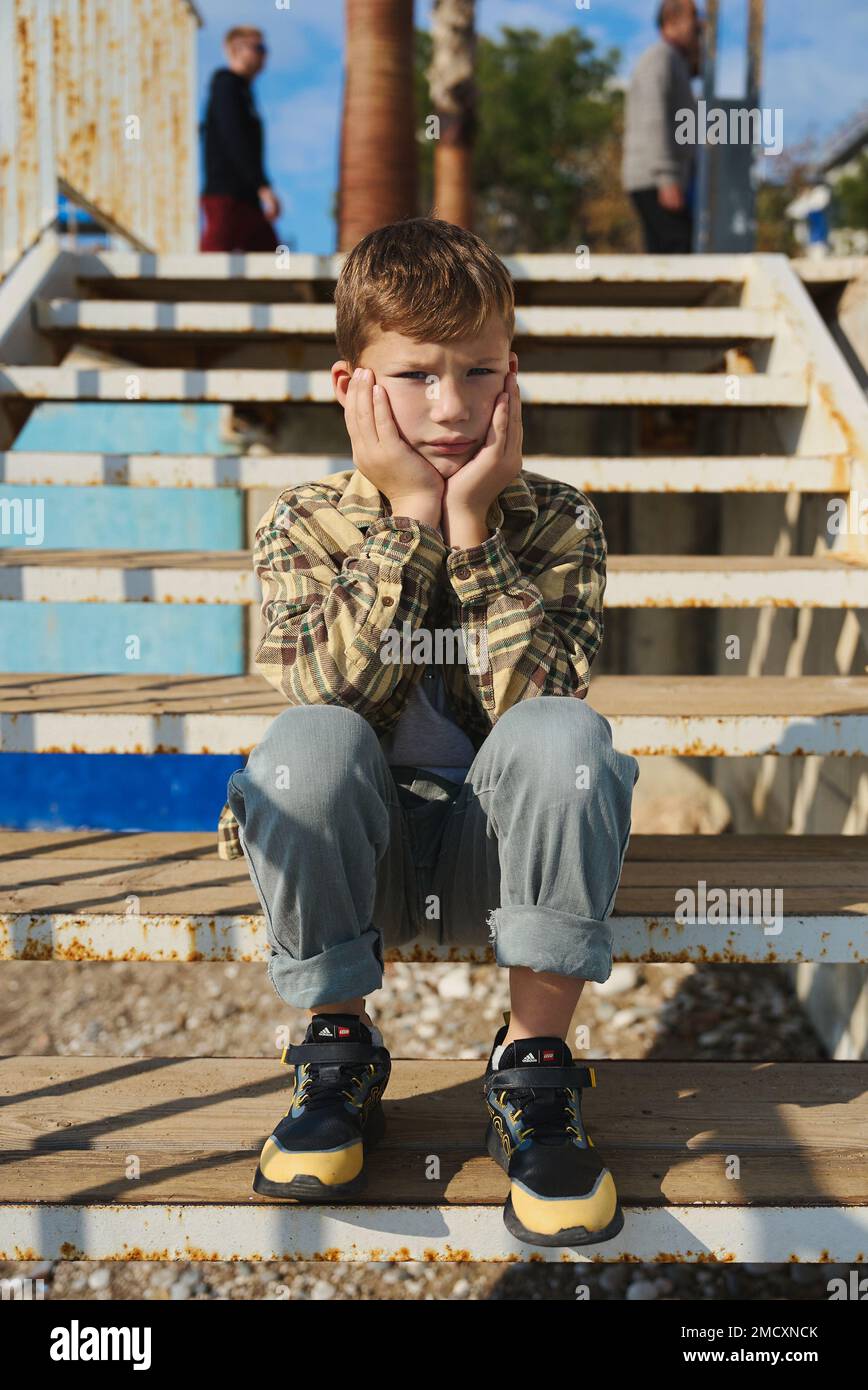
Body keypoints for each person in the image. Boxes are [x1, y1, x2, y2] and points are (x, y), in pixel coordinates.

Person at [216, 217, 639, 1248]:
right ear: (349, 384)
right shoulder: (302, 522)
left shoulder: (557, 519)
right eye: (413, 375)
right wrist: (407, 521)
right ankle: (338, 1048)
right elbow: (326, 691)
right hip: (367, 861)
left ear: (513, 375)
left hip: (502, 857)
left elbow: (539, 698)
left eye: (478, 370)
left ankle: (533, 1067)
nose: (450, 407)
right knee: (301, 748)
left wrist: (471, 532)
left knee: (568, 737)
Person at [623, 0, 701, 253]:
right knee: (678, 247)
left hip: (658, 177)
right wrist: (667, 177)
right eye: (693, 19)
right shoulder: (660, 58)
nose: (698, 26)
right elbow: (653, 118)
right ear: (672, 22)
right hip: (654, 178)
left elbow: (697, 68)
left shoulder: (674, 61)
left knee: (663, 253)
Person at [200, 25, 281, 252]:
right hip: (225, 197)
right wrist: (263, 187)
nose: (264, 55)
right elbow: (234, 139)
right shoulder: (225, 85)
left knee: (273, 263)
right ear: (236, 48)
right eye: (259, 47)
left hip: (248, 201)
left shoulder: (245, 93)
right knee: (210, 266)